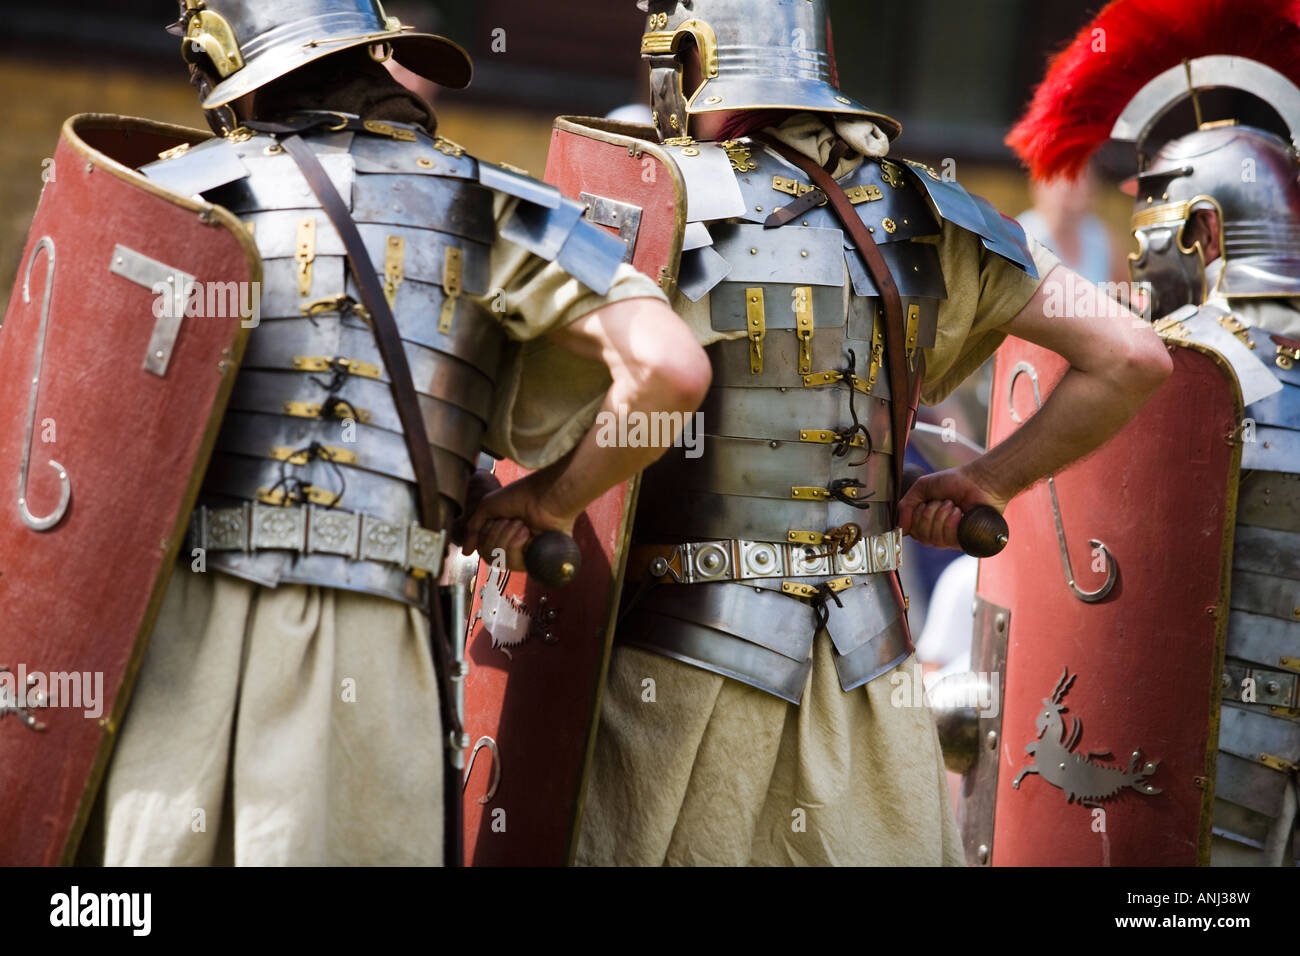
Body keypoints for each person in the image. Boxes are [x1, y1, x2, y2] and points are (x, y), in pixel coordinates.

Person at [74, 1, 710, 866]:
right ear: (371, 49)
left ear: (229, 68)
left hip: (180, 645)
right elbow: (671, 371)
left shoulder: (171, 193)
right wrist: (549, 499)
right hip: (375, 642)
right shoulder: (495, 203)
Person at [571, 0, 1171, 866]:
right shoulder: (937, 210)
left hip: (681, 666)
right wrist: (987, 483)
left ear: (689, 62)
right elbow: (1133, 354)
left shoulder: (656, 202)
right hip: (873, 672)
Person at [1006, 0, 1300, 866]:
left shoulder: (1176, 366)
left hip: (1192, 755)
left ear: (1205, 230)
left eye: (1157, 220)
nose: (1138, 254)